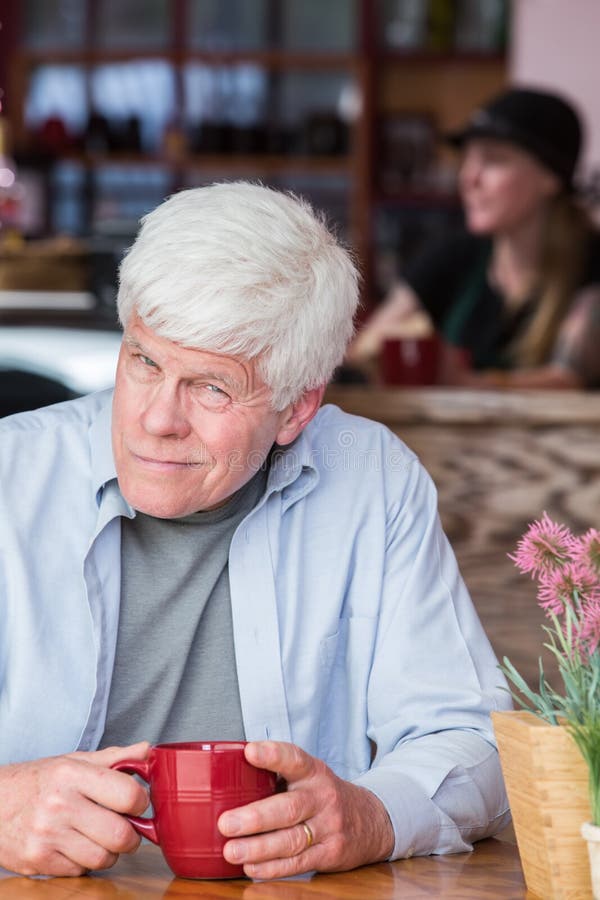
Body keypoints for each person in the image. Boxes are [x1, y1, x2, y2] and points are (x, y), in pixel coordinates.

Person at [0, 182, 511, 880]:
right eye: (144, 361)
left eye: (211, 387)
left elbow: (472, 740)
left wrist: (368, 816)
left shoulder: (371, 478)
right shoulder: (10, 474)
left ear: (297, 408)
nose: (157, 419)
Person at [347, 87, 600, 388]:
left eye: (494, 160)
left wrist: (469, 382)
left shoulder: (591, 262)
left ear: (550, 178)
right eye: (467, 160)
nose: (469, 178)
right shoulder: (454, 257)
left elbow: (568, 380)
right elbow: (364, 352)